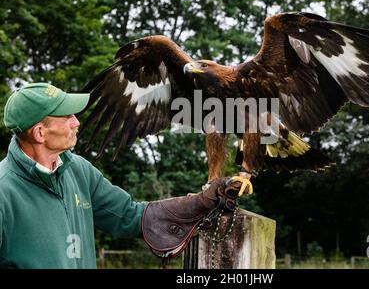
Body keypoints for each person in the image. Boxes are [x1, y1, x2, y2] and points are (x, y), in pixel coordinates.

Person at [0, 83, 243, 269]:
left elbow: (129, 216)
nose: (76, 122)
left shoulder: (78, 171)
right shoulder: (4, 191)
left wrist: (198, 204)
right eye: (66, 117)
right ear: (40, 133)